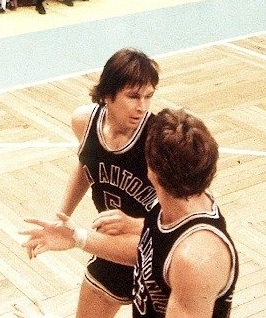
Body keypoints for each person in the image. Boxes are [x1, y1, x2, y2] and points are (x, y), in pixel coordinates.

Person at [19, 107, 237, 318]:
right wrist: (77, 238)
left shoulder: (196, 259)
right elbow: (149, 251)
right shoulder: (169, 203)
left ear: (150, 169)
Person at [22, 49, 160, 317]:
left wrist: (134, 224)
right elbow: (86, 164)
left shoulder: (157, 140)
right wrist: (63, 215)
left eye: (148, 96)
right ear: (107, 95)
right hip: (111, 246)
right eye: (133, 96)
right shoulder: (84, 121)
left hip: (158, 251)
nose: (142, 107)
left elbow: (186, 216)